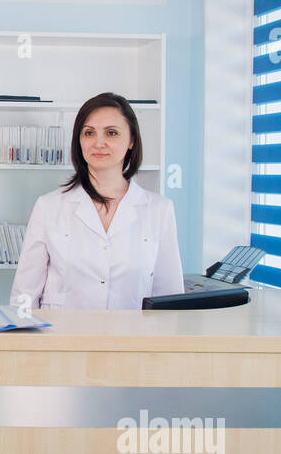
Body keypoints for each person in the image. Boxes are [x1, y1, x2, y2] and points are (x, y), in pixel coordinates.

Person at [10, 92, 183, 310]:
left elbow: (169, 297)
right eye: (89, 133)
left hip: (133, 340)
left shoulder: (159, 210)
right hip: (61, 339)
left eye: (111, 133)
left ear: (131, 141)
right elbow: (24, 295)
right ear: (79, 141)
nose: (98, 143)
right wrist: (26, 342)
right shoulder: (49, 206)